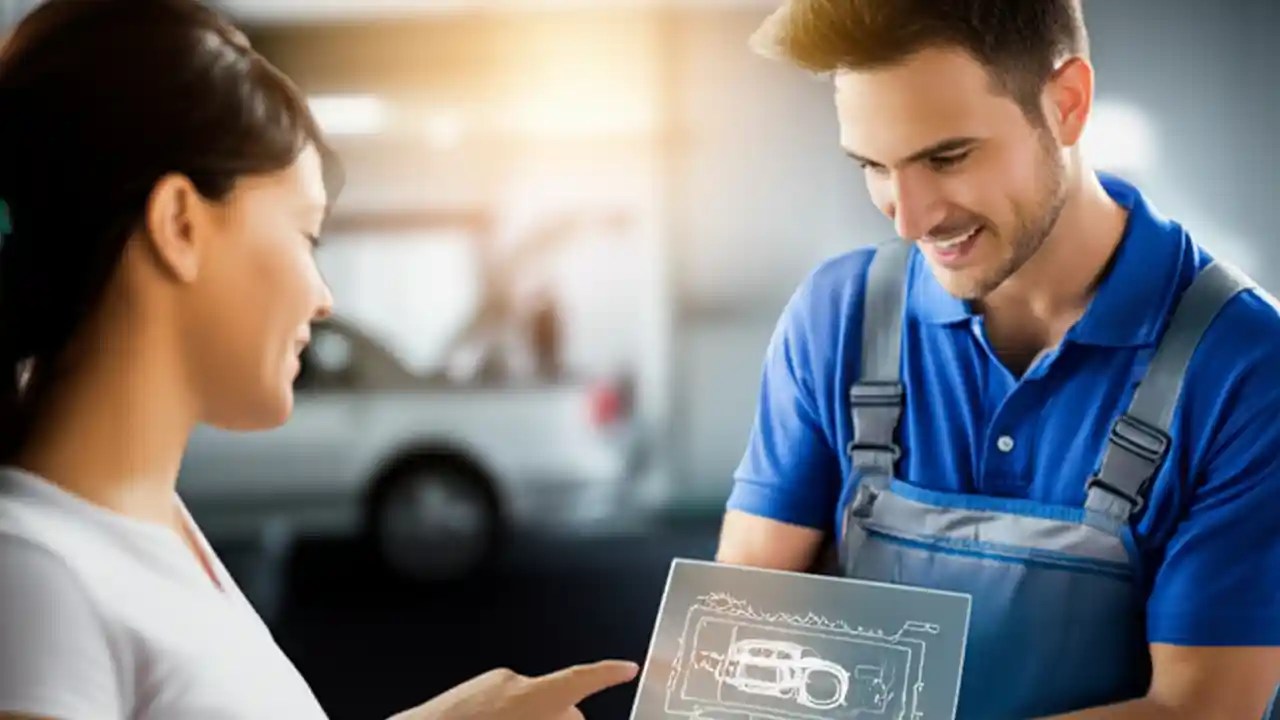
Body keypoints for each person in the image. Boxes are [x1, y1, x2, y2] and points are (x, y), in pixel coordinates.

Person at [0, 1, 636, 718]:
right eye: (306, 236)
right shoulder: (33, 578)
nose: (323, 297)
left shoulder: (149, 521)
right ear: (180, 224)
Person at [715, 1, 1280, 718]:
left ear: (1066, 104)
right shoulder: (837, 320)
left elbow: (1199, 709)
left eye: (946, 157)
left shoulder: (1247, 368)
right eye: (873, 166)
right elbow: (739, 647)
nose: (909, 217)